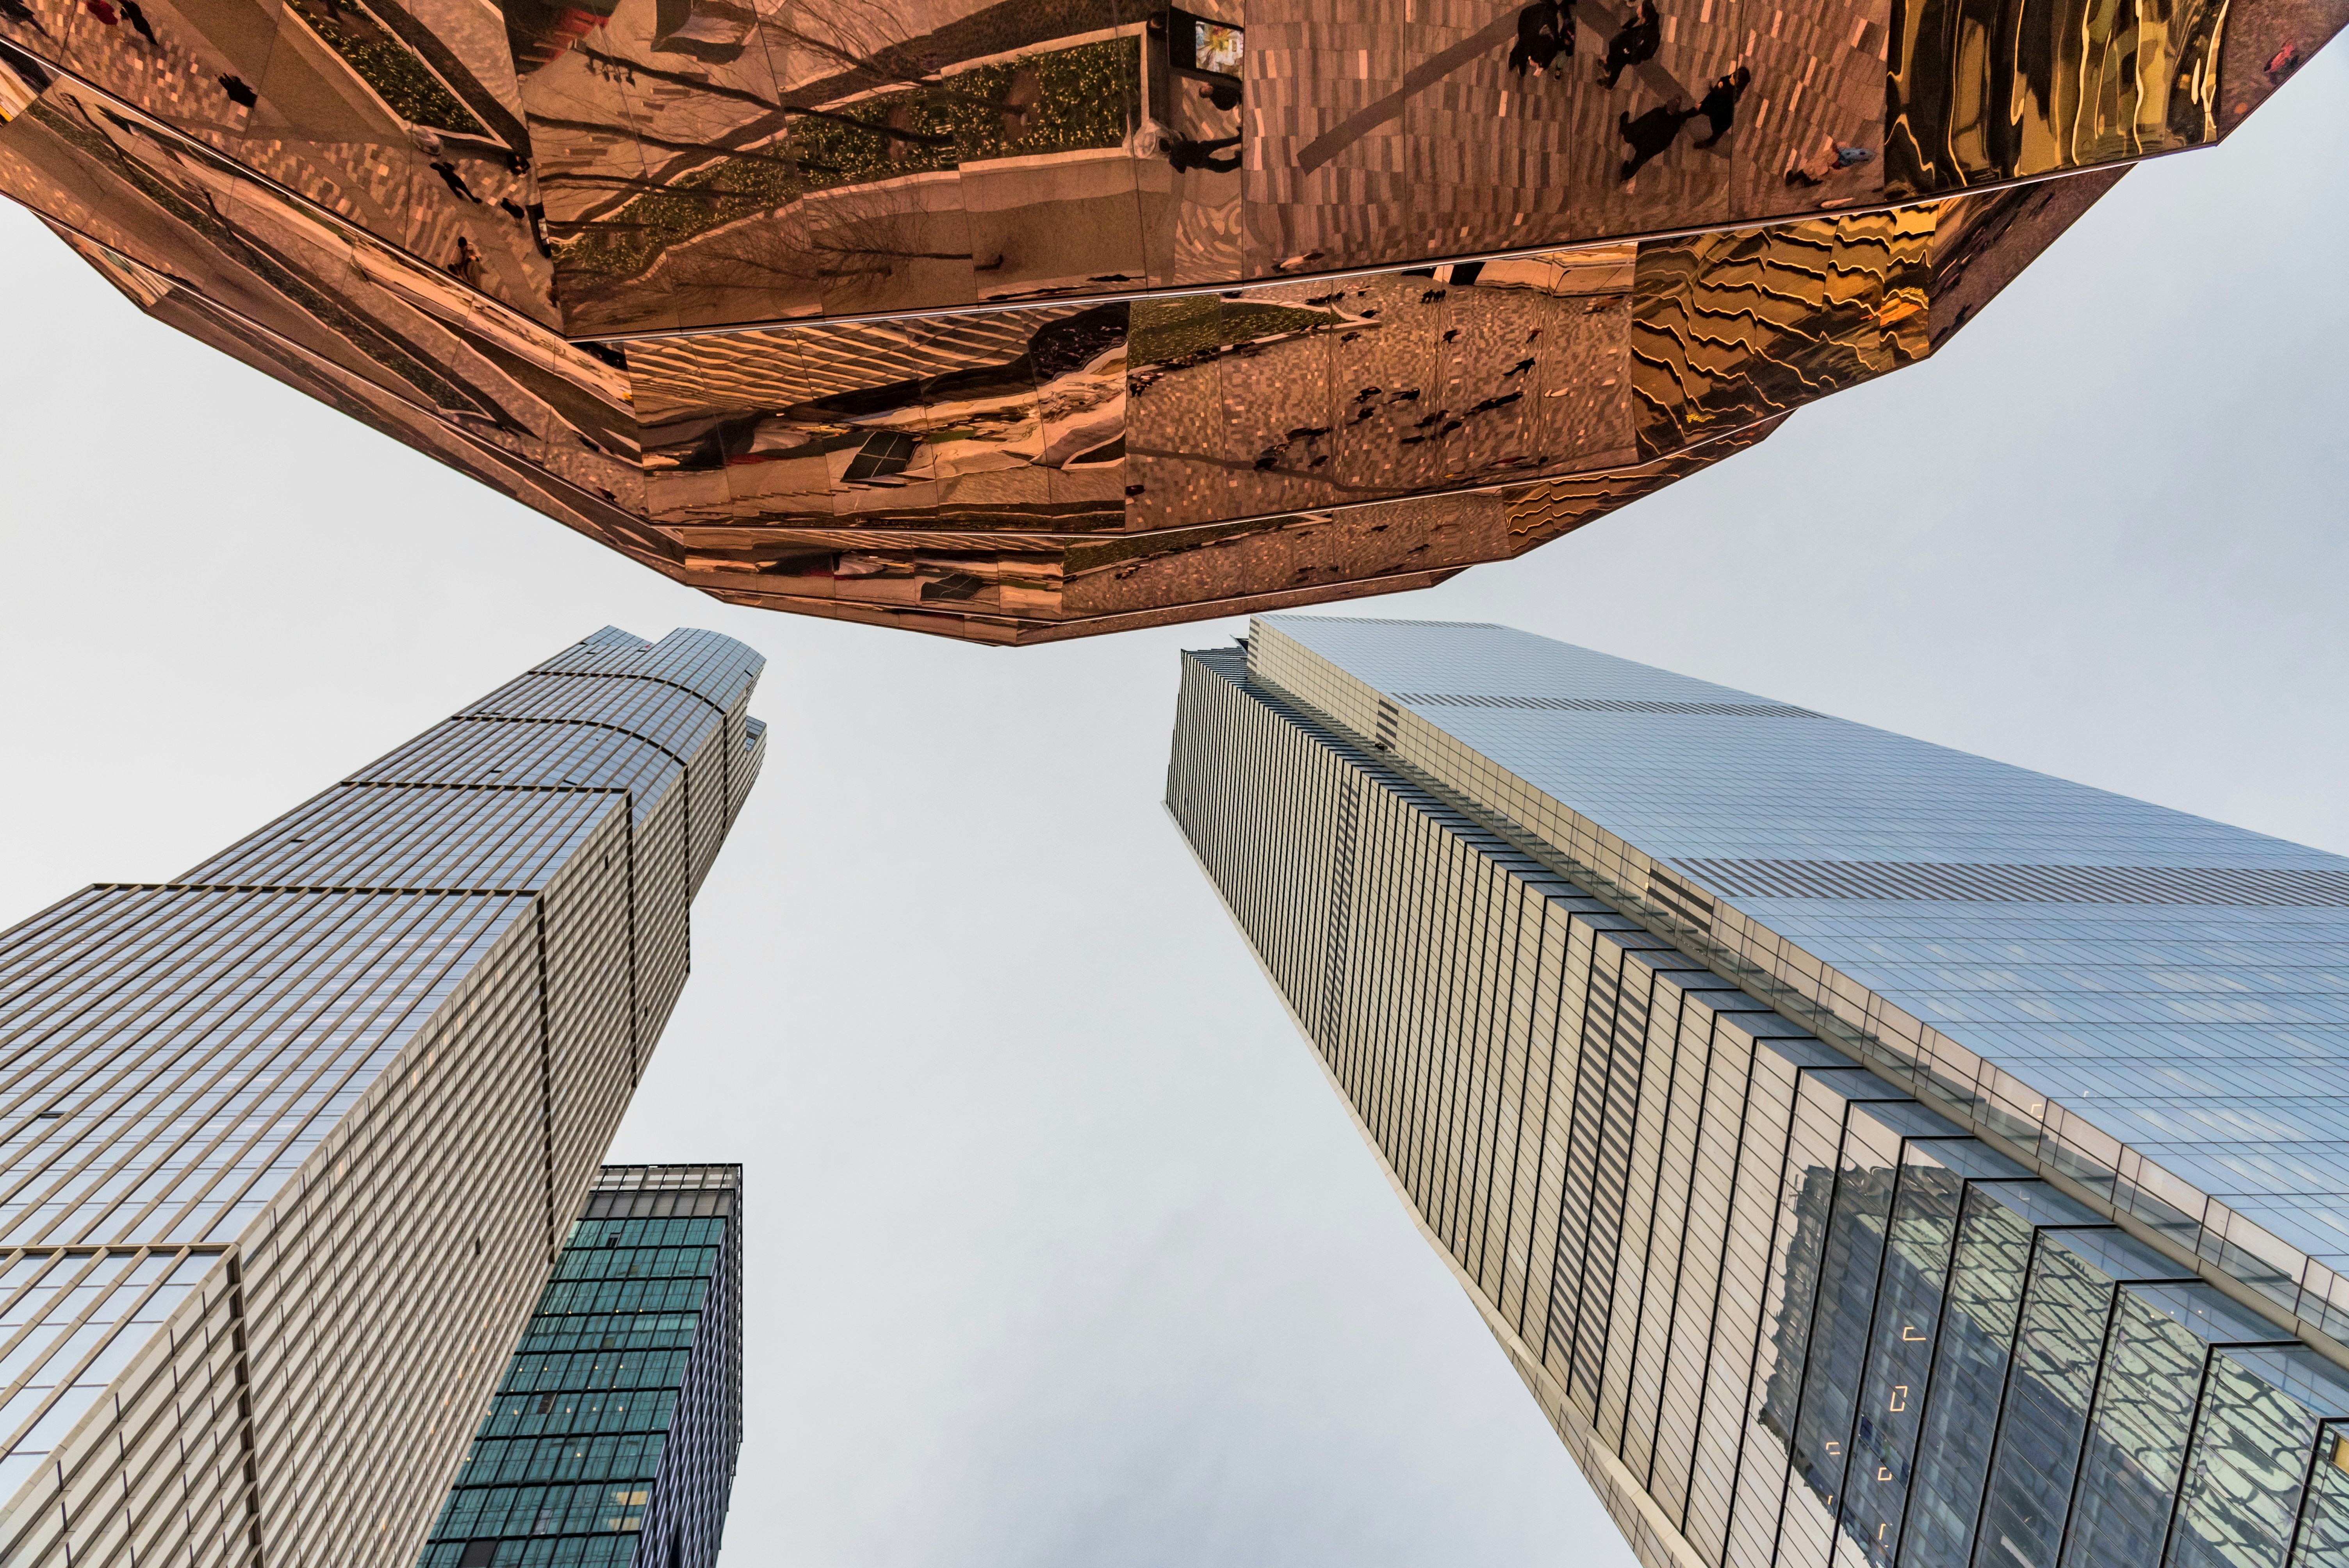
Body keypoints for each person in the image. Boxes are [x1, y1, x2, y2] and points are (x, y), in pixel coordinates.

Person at [1617, 102, 1692, 180]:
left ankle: (1624, 130)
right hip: (1652, 147)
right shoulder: (1675, 124)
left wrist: (1629, 135)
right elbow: (1667, 141)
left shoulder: (1658, 113)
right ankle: (1626, 175)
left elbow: (1642, 123)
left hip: (1644, 138)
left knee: (1635, 131)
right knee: (1639, 160)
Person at [1597, 1, 1658, 88]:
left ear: (1644, 17)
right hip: (1627, 41)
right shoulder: (1649, 18)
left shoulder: (1644, 36)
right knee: (1614, 49)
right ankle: (1608, 67)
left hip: (1629, 52)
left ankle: (1609, 84)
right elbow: (1636, 19)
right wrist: (1627, 27)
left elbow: (1626, 51)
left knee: (1618, 66)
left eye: (1640, 12)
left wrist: (1609, 59)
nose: (1638, 8)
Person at [1690, 63, 1748, 146]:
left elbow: (1715, 109)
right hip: (1715, 106)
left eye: (1734, 77)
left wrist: (1702, 108)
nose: (1731, 77)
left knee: (1717, 132)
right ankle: (1687, 115)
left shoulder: (1730, 97)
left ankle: (1710, 143)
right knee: (1698, 109)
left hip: (1721, 120)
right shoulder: (1733, 85)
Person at [1508, 0, 1572, 75]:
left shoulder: (1551, 24)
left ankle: (1520, 67)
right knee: (1521, 52)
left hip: (1531, 38)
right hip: (1531, 37)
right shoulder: (1544, 21)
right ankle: (1519, 66)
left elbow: (1524, 14)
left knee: (1522, 51)